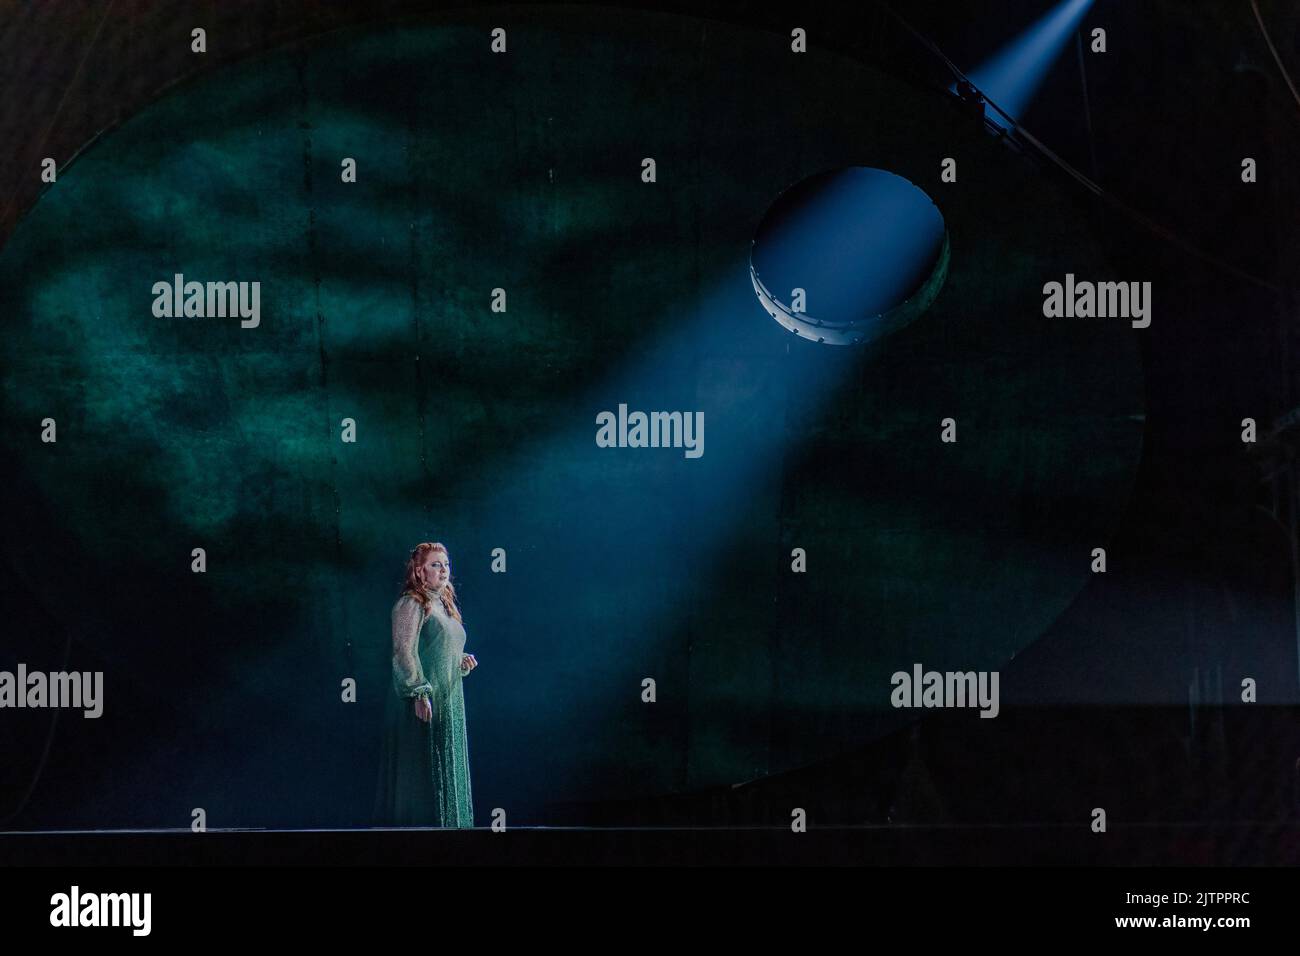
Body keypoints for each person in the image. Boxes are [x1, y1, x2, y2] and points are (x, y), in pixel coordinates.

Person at [373, 542, 478, 827]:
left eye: (446, 564)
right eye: (435, 564)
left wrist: (460, 661)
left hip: (449, 698)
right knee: (423, 768)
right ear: (419, 571)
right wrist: (418, 690)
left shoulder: (445, 606)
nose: (443, 570)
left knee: (446, 764)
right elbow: (403, 651)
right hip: (423, 702)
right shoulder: (412, 602)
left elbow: (439, 650)